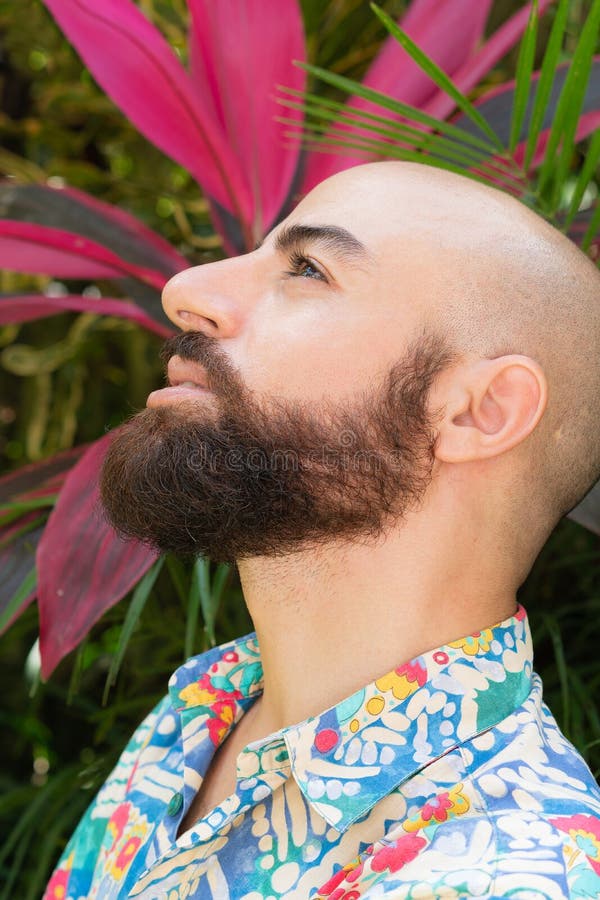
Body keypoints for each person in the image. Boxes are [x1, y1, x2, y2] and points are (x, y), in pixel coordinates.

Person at [44, 161, 600, 900]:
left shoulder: (505, 874)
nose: (186, 290)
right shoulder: (202, 712)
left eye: (307, 269)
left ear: (478, 412)